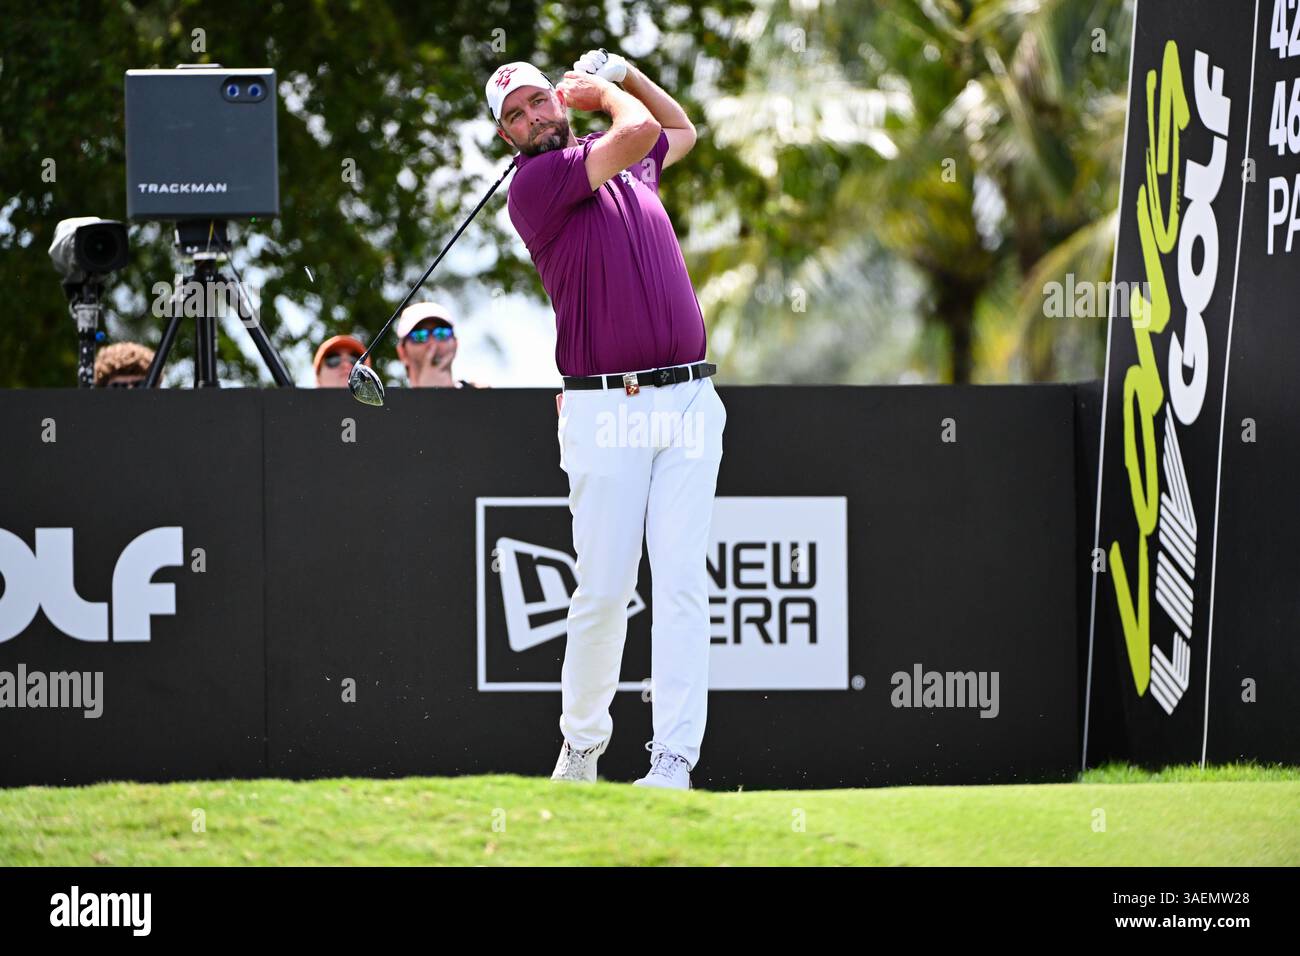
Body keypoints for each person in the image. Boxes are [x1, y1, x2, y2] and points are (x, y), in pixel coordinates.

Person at [487, 50, 726, 789]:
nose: (531, 118)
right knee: (604, 588)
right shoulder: (536, 185)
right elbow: (639, 130)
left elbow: (676, 129)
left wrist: (625, 74)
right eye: (514, 116)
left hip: (688, 398)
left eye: (537, 103)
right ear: (507, 138)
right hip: (603, 406)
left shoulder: (627, 163)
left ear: (555, 106)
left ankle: (673, 763)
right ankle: (583, 749)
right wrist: (605, 93)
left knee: (684, 585)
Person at [394, 302, 483, 388]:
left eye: (442, 334)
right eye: (419, 336)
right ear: (403, 352)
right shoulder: (390, 402)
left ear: (455, 345)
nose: (433, 344)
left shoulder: (483, 397)